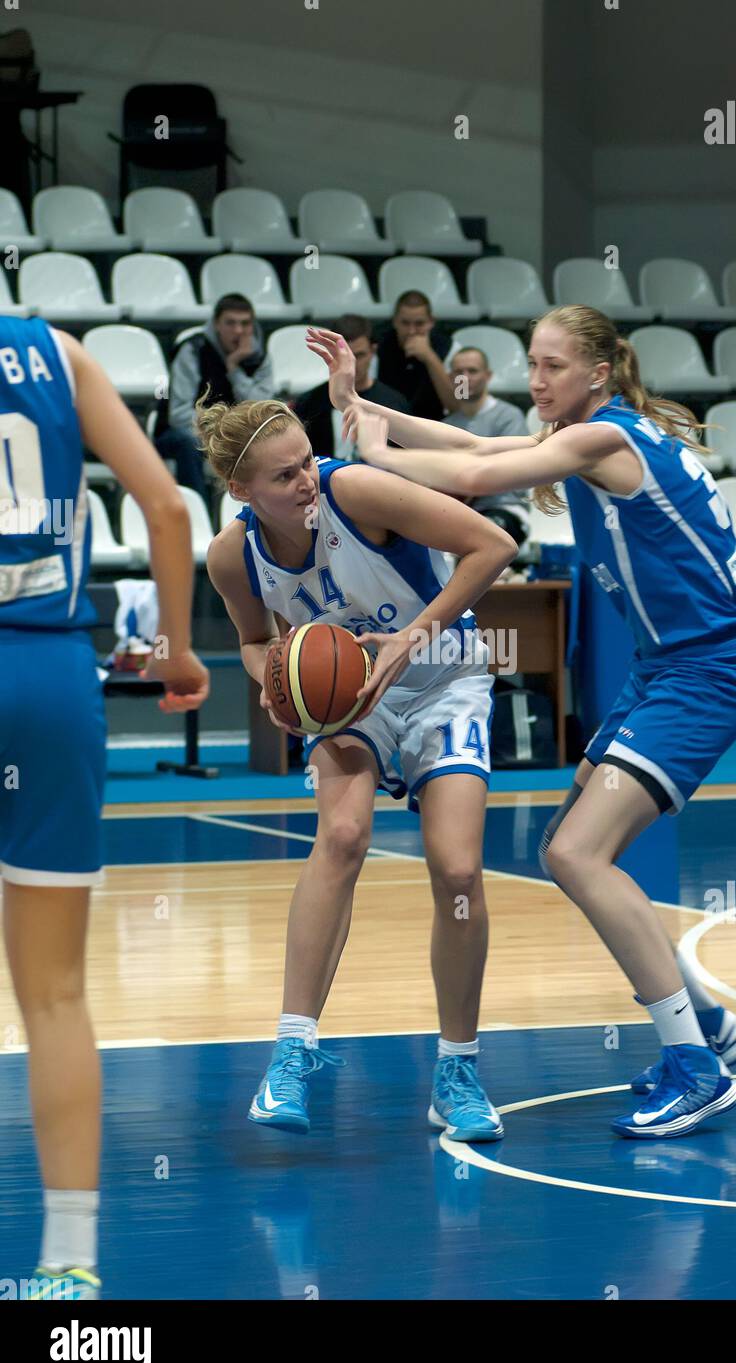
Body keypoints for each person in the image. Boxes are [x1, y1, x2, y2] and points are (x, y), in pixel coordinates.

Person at [307, 309, 736, 1140]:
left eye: (553, 366)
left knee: (574, 854)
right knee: (571, 844)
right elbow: (473, 446)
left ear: (598, 374)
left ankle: (695, 1069)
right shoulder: (596, 435)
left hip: (702, 675)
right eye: (532, 363)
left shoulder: (605, 439)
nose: (537, 380)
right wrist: (359, 406)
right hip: (662, 670)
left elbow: (473, 472)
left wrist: (376, 449)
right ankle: (709, 1026)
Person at [201, 397, 517, 1141]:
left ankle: (457, 1071)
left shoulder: (357, 491)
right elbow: (254, 639)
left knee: (458, 870)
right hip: (348, 697)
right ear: (242, 491)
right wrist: (275, 683)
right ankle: (291, 1054)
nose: (306, 480)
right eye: (285, 476)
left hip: (443, 674)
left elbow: (492, 545)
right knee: (342, 835)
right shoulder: (230, 555)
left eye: (307, 461)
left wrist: (413, 635)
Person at [0, 315, 209, 1299]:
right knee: (55, 995)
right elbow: (166, 508)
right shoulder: (57, 352)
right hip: (49, 676)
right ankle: (68, 1264)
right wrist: (176, 650)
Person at [155, 293, 275, 499]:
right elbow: (179, 415)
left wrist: (234, 368)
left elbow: (260, 412)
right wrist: (221, 431)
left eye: (245, 323)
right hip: (184, 433)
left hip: (232, 435)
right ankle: (196, 511)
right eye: (230, 323)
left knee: (269, 439)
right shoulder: (193, 350)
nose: (238, 330)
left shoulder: (260, 357)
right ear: (216, 324)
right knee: (188, 443)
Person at [442, 345, 531, 543]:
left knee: (478, 536)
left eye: (472, 371)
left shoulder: (509, 416)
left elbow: (509, 471)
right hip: (458, 512)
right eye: (459, 372)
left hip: (504, 508)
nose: (465, 378)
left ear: (487, 375)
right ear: (451, 378)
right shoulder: (447, 425)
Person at [291, 313, 410, 458]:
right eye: (345, 356)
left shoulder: (394, 403)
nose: (353, 363)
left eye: (359, 355)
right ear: (332, 353)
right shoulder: (309, 404)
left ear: (373, 351)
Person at [375, 291, 457, 419]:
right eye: (405, 323)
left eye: (419, 324)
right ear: (395, 321)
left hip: (437, 425)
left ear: (431, 322)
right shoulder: (377, 348)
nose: (411, 331)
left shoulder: (453, 348)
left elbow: (461, 404)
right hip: (388, 423)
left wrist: (430, 358)